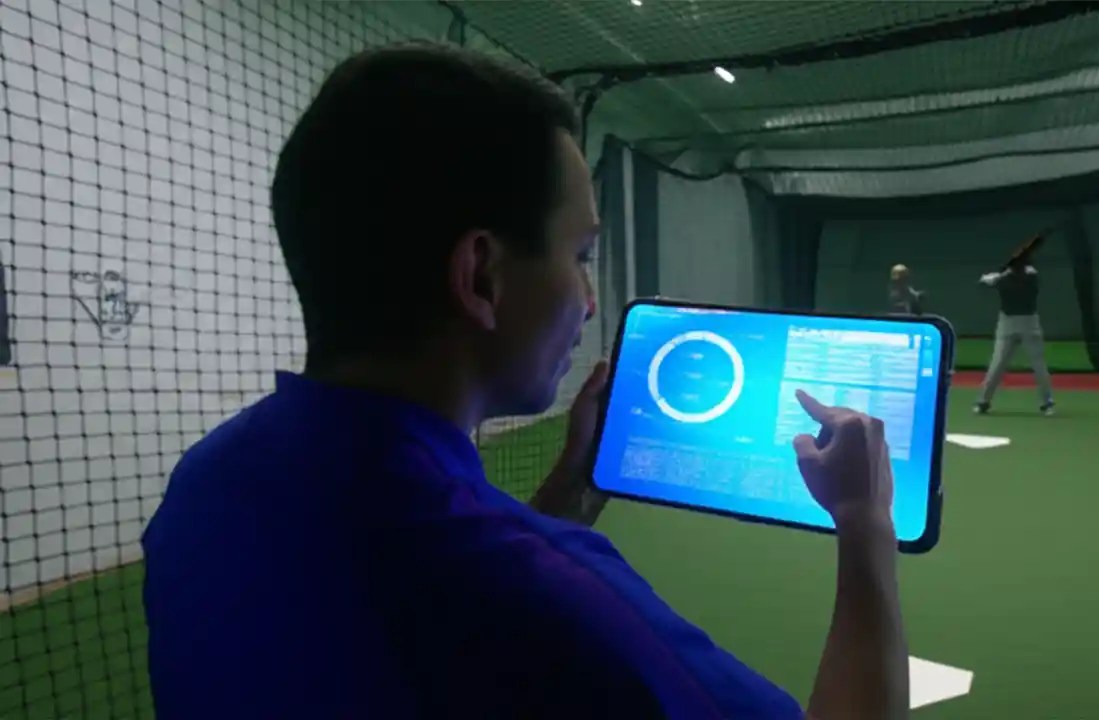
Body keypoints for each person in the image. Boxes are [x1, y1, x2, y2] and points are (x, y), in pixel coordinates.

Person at [142, 42, 908, 720]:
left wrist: (570, 493)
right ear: (481, 276)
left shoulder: (209, 480)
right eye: (579, 256)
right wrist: (866, 523)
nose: (589, 300)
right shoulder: (544, 592)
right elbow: (498, 600)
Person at [974, 252, 1055, 416]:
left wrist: (994, 277)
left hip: (1025, 323)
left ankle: (1047, 403)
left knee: (1037, 365)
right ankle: (983, 401)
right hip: (1011, 324)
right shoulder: (1025, 276)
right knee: (998, 364)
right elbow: (985, 282)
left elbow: (988, 281)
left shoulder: (1011, 279)